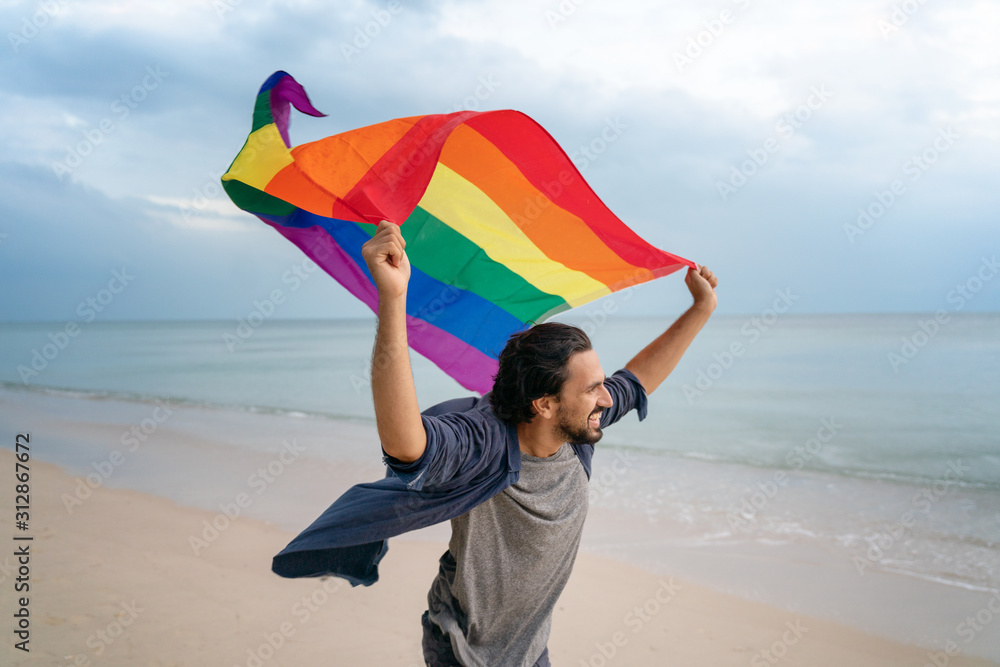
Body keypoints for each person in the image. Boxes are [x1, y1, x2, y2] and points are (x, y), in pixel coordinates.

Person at [359, 221, 718, 667]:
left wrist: (702, 309)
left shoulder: (577, 432)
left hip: (528, 650)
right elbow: (406, 444)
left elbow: (639, 379)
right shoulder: (483, 445)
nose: (606, 399)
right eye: (592, 389)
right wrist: (393, 298)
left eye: (601, 385)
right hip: (461, 647)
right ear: (545, 404)